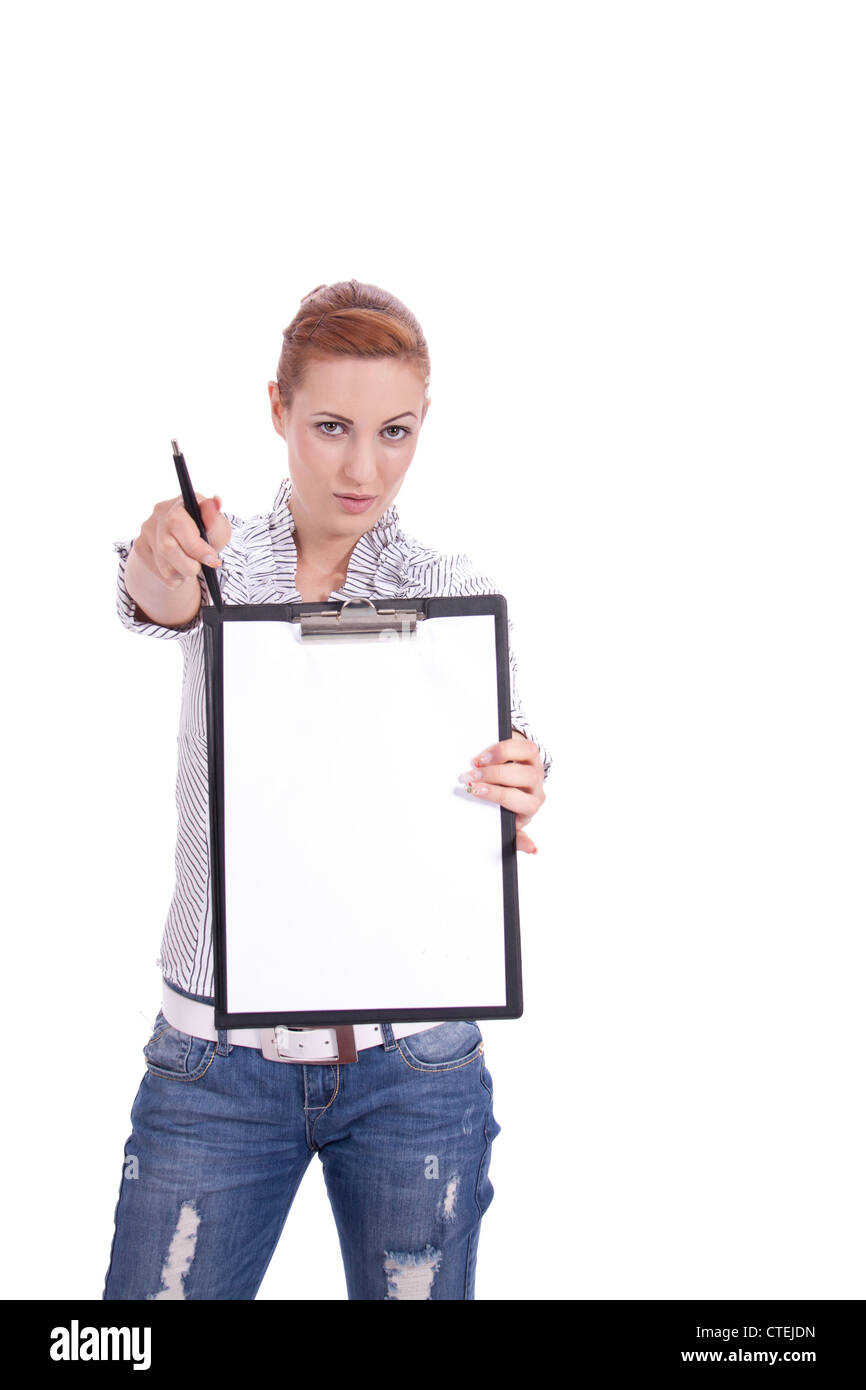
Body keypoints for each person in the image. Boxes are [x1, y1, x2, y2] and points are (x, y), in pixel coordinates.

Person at [103, 279, 552, 1301]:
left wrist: (526, 773)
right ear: (277, 410)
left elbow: (515, 737)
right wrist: (162, 555)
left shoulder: (445, 586)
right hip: (215, 1065)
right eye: (331, 427)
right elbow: (154, 593)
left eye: (393, 431)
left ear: (423, 422)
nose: (362, 466)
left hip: (414, 1071)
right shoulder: (221, 566)